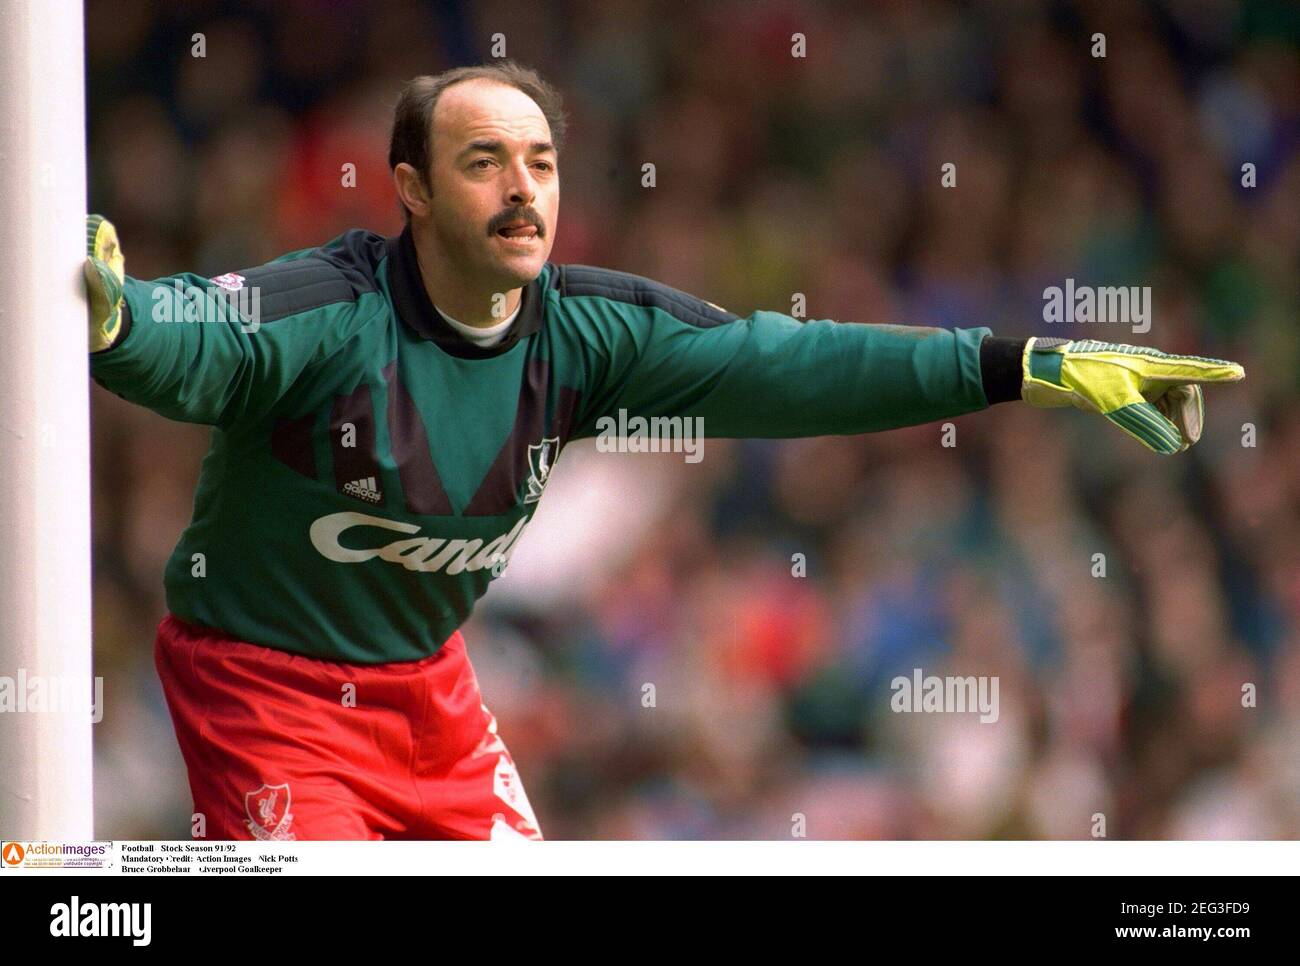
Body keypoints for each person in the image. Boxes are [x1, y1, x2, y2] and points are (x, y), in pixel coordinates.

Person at [85, 61, 1244, 841]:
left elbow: (797, 366)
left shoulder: (591, 336)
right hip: (268, 694)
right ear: (411, 191)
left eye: (539, 162)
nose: (521, 188)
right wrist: (118, 318)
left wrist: (1023, 365)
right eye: (483, 161)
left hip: (426, 691)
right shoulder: (325, 314)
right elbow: (192, 339)